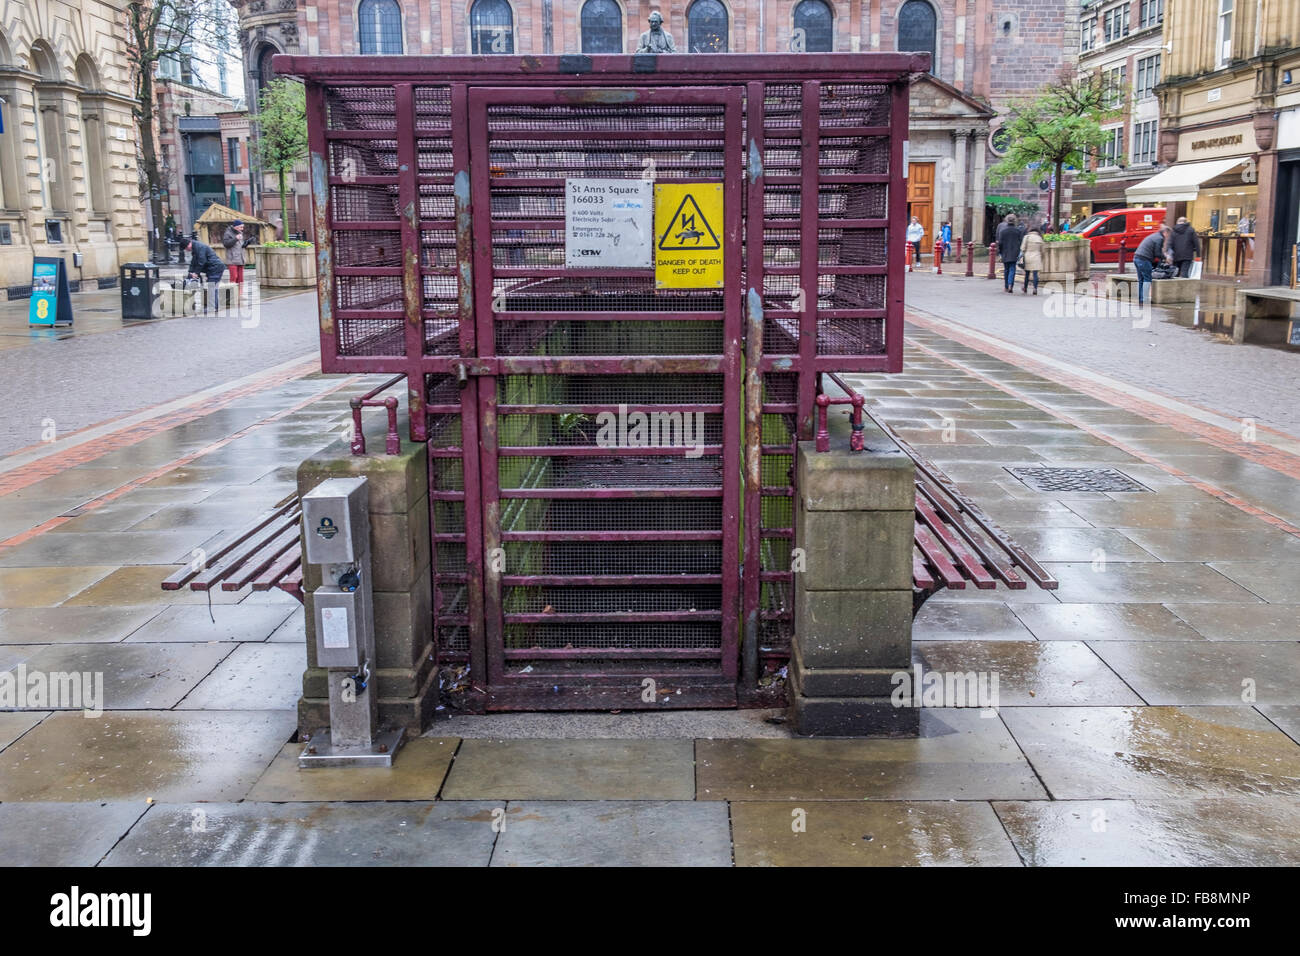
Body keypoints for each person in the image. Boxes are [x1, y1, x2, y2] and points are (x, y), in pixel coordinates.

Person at [183, 236, 227, 314]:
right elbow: (194, 262)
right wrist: (190, 272)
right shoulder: (196, 247)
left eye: (186, 248)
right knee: (213, 288)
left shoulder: (199, 247)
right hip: (214, 268)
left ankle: (212, 307)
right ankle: (215, 306)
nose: (187, 250)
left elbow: (201, 261)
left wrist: (196, 273)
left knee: (211, 288)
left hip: (215, 268)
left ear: (189, 244)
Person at [1132, 223, 1172, 306]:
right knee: (1147, 279)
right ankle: (1145, 299)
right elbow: (1157, 253)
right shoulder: (1160, 238)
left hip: (1137, 257)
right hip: (1144, 259)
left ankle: (1141, 299)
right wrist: (1166, 258)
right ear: (1165, 232)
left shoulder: (1154, 236)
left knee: (1141, 280)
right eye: (1168, 235)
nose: (1168, 237)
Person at [995, 213, 1025, 293]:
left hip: (1005, 252)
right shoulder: (1018, 231)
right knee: (1012, 269)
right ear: (1014, 220)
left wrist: (1000, 252)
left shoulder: (1003, 231)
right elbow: (1020, 242)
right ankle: (1010, 285)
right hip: (1015, 252)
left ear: (1007, 220)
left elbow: (1000, 243)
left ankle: (1006, 286)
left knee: (1006, 270)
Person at [222, 220, 251, 289]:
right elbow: (226, 244)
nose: (242, 229)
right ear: (236, 227)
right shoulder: (228, 233)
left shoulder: (240, 233)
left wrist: (246, 243)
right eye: (241, 227)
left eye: (242, 227)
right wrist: (235, 238)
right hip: (232, 260)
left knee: (240, 279)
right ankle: (232, 294)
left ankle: (239, 294)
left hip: (240, 259)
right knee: (234, 277)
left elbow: (239, 246)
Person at [1021, 226, 1044, 295]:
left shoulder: (1027, 237)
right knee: (1035, 274)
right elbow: (1042, 250)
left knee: (1027, 274)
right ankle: (1035, 288)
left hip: (1027, 257)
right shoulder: (1039, 238)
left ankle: (1025, 288)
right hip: (1037, 257)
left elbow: (1022, 248)